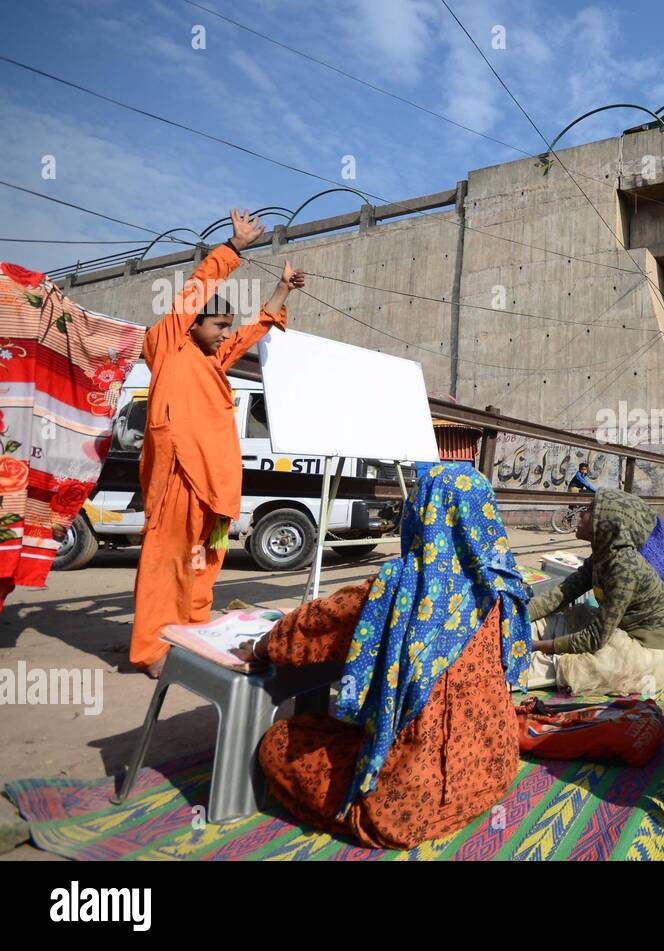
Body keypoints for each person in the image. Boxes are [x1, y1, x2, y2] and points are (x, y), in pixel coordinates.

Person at [233, 463, 530, 849]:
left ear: (422, 513)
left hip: (412, 804)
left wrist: (261, 645)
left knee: (281, 742)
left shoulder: (400, 590)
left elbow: (320, 624)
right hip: (492, 769)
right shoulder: (504, 586)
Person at [129, 209, 305, 677]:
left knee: (204, 561)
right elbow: (194, 292)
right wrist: (234, 248)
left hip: (216, 485)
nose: (225, 334)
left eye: (226, 328)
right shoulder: (168, 345)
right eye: (217, 326)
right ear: (191, 325)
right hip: (178, 478)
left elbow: (252, 331)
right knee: (166, 563)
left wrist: (283, 290)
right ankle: (152, 649)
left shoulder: (213, 357)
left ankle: (191, 634)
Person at [528, 488, 664, 696]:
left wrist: (537, 646)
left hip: (644, 650)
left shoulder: (624, 569)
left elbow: (595, 638)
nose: (581, 514)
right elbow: (563, 592)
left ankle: (508, 670)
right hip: (618, 630)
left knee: (577, 665)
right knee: (555, 621)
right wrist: (520, 615)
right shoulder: (603, 556)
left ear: (606, 524)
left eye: (590, 510)